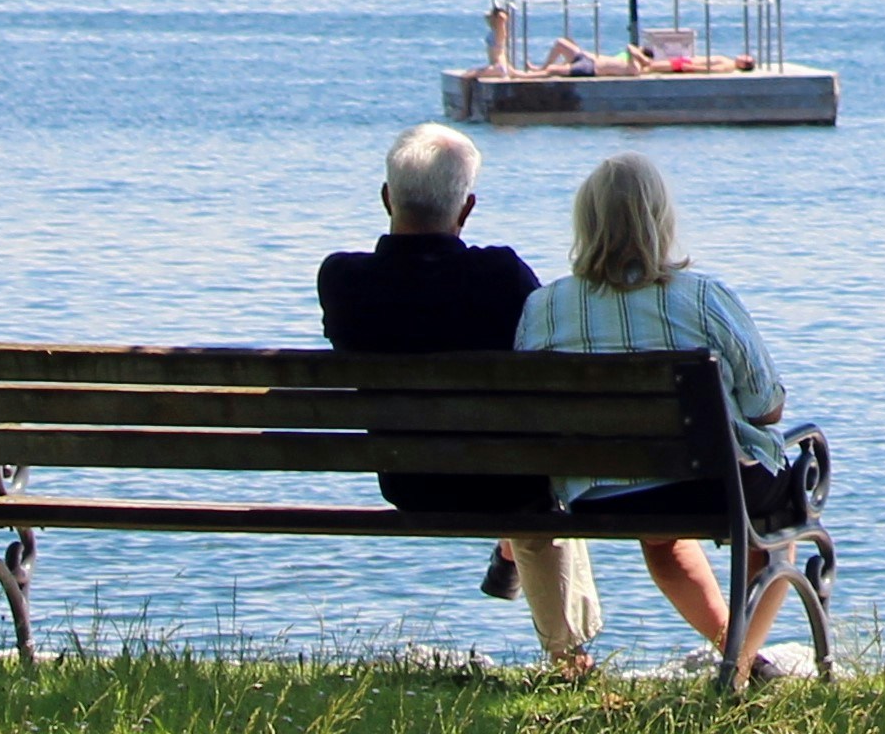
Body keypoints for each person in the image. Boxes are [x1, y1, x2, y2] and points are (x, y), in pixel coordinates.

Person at [519, 151, 815, 672]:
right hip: (711, 484)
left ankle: (738, 656)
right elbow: (766, 408)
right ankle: (740, 664)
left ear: (585, 224)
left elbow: (534, 413)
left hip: (600, 495)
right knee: (775, 536)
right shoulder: (703, 298)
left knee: (662, 539)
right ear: (661, 221)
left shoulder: (545, 307)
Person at [316, 123, 588, 666]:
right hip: (506, 483)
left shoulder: (342, 280)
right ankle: (568, 658)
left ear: (387, 198)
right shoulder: (500, 275)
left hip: (408, 480)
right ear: (466, 209)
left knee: (529, 485)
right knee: (536, 490)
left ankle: (515, 549)